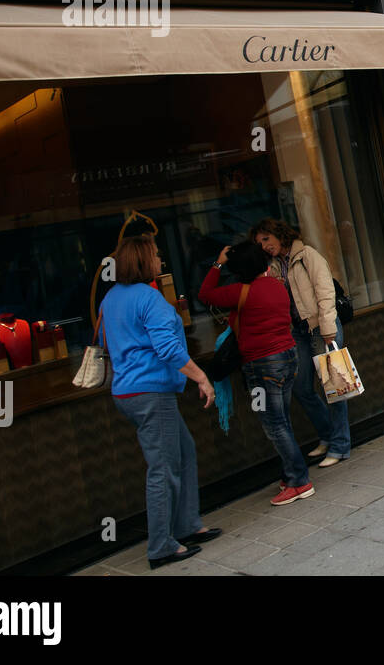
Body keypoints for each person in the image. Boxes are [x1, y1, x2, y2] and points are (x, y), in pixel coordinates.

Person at [100, 234, 219, 569]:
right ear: (142, 260)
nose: (160, 260)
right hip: (150, 392)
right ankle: (162, 546)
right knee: (163, 468)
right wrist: (201, 377)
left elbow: (109, 341)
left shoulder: (111, 298)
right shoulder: (148, 297)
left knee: (184, 452)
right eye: (155, 255)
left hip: (128, 392)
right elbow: (167, 349)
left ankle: (187, 525)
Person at [200, 241, 314, 506]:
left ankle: (299, 481)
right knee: (282, 419)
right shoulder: (277, 285)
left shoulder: (240, 291)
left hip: (262, 365)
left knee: (274, 424)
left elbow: (205, 294)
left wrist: (218, 263)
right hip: (288, 357)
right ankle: (290, 474)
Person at [251, 219, 350, 468]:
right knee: (301, 387)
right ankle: (328, 435)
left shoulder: (307, 255)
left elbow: (325, 292)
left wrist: (327, 328)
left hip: (321, 328)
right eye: (259, 243)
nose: (264, 246)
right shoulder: (273, 266)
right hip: (297, 331)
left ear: (279, 234)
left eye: (266, 239)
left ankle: (340, 445)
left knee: (335, 388)